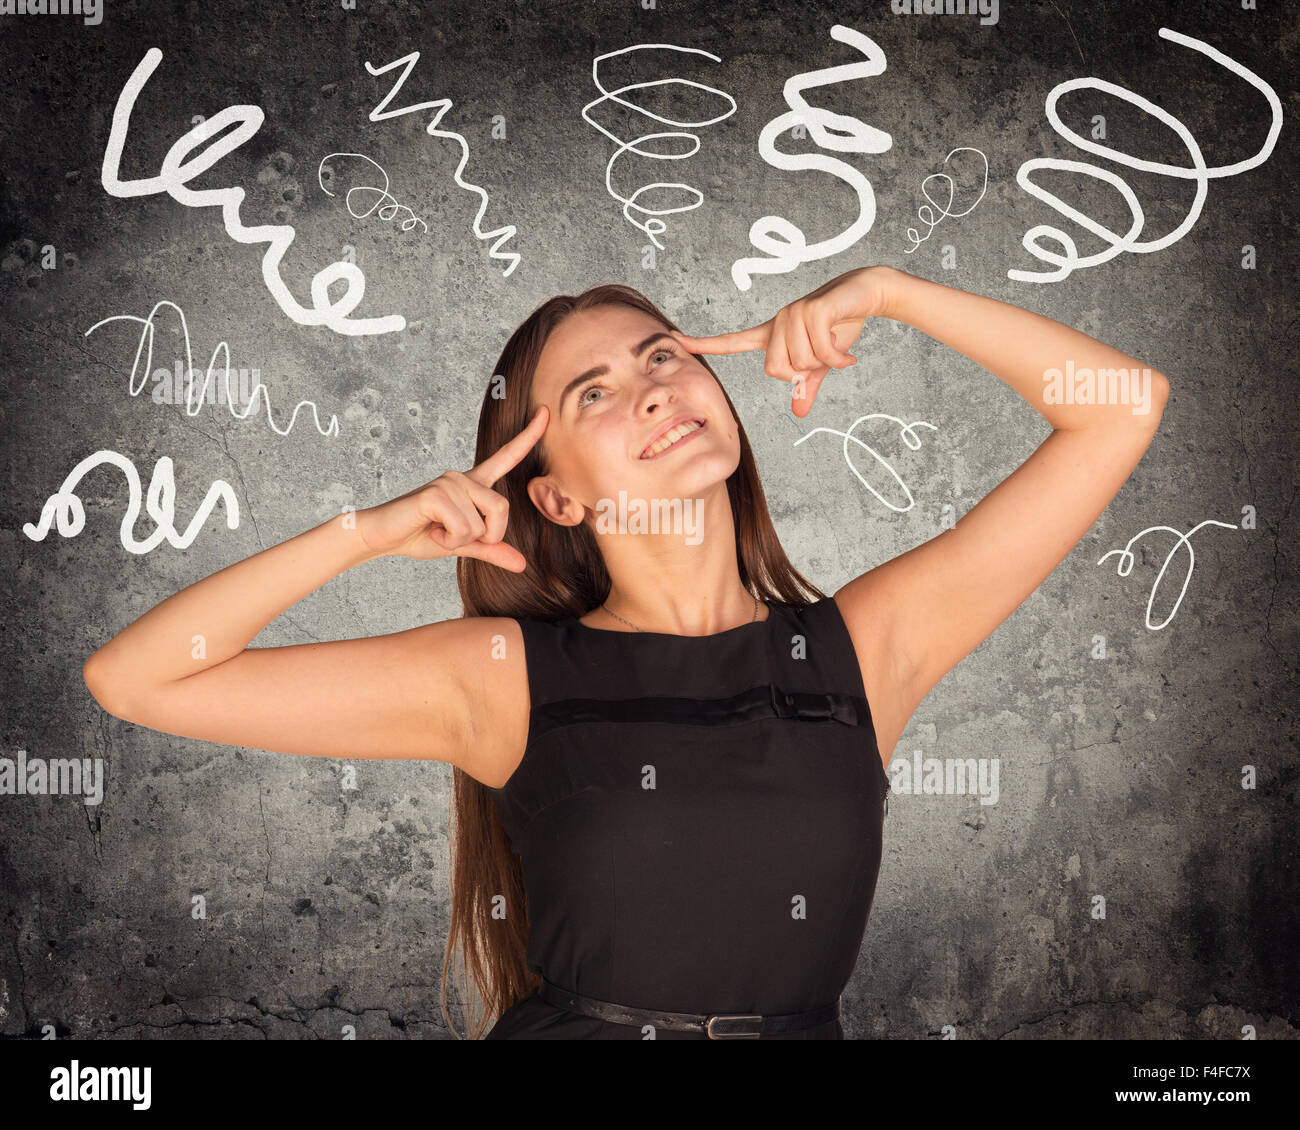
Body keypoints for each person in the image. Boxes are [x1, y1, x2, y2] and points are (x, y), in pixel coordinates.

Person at [82, 265, 1169, 1039]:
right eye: (592, 393)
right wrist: (364, 532)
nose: (652, 387)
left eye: (664, 355)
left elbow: (1122, 408)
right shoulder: (503, 677)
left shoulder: (861, 648)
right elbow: (135, 677)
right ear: (551, 492)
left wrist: (886, 293)